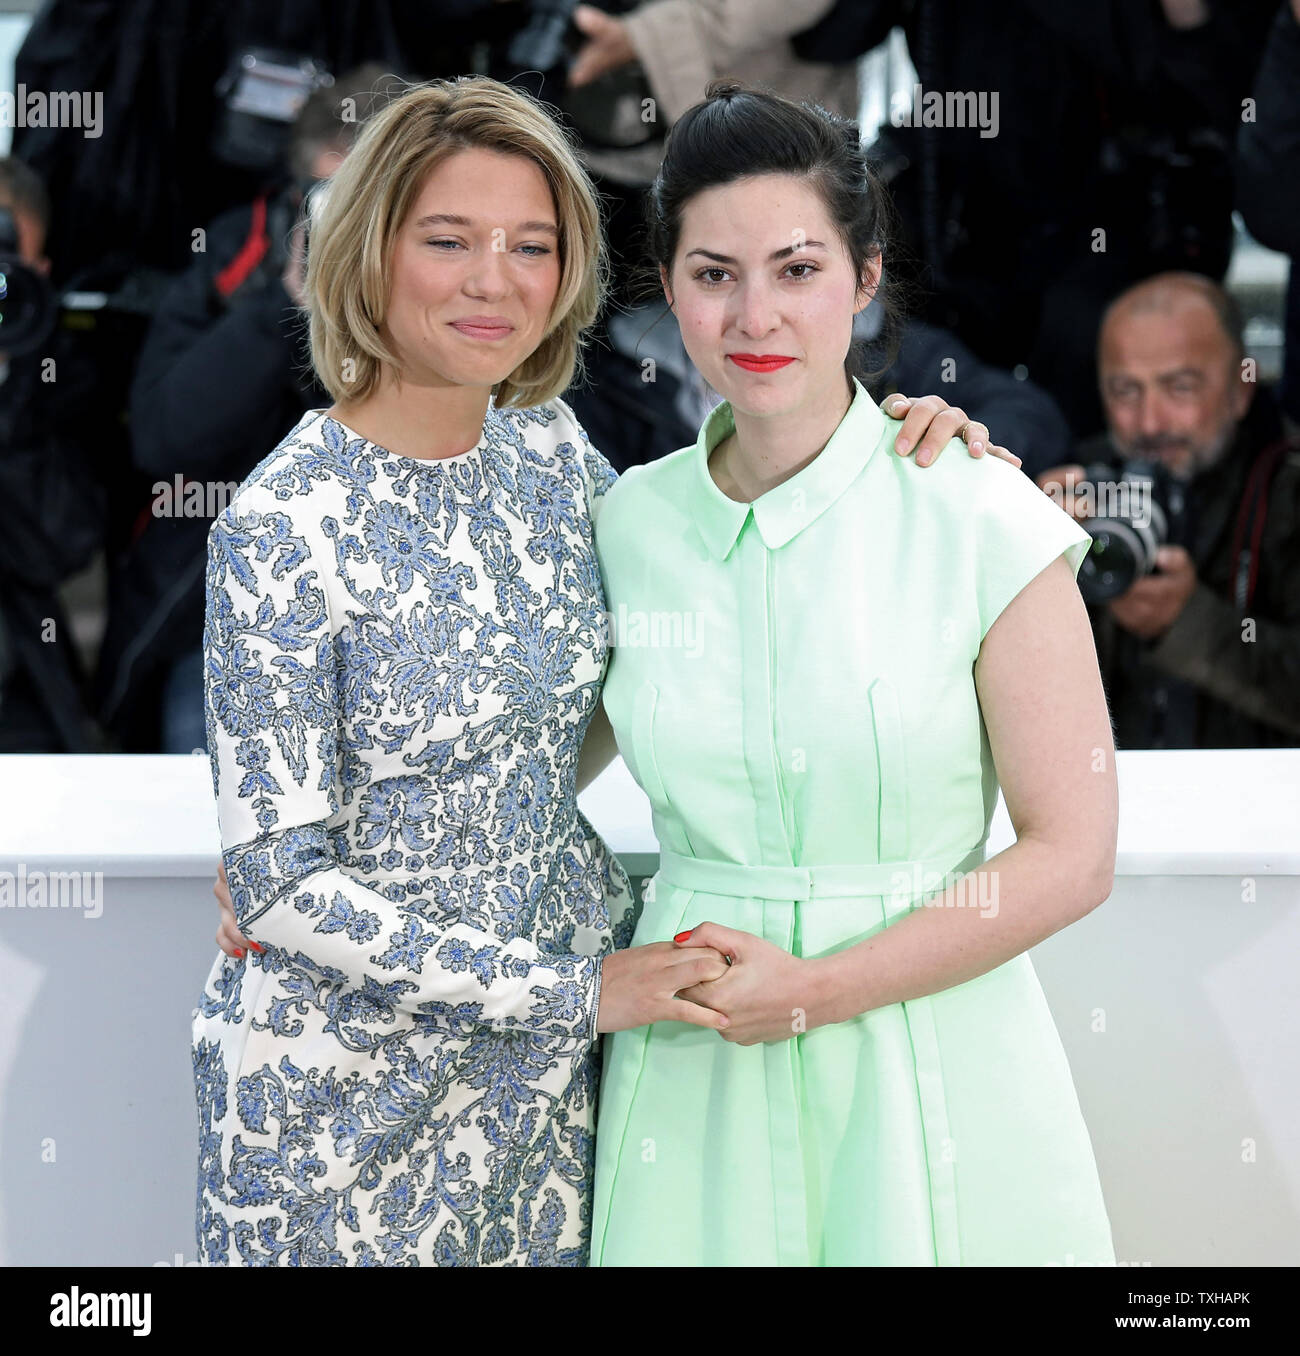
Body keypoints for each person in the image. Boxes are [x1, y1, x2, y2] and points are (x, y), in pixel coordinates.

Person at [197, 74, 1001, 1268]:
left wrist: (903, 443)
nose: (495, 281)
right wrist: (584, 993)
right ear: (368, 251)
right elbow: (274, 885)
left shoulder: (550, 450)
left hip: (551, 1091)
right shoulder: (279, 522)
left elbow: (707, 583)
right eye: (449, 241)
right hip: (343, 1099)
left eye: (533, 244)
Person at [588, 81, 1117, 1266]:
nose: (754, 314)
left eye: (796, 268)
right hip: (695, 1057)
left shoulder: (977, 509)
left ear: (865, 278)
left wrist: (820, 991)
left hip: (930, 1044)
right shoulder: (624, 524)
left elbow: (1071, 853)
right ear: (667, 290)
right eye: (713, 275)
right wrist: (301, 861)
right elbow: (511, 775)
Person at [1037, 273, 1300, 747]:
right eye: (1126, 391)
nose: (1150, 422)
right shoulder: (1079, 485)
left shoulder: (1286, 489)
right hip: (1116, 796)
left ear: (1241, 390)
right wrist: (1029, 560)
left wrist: (1190, 623)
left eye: (1180, 387)